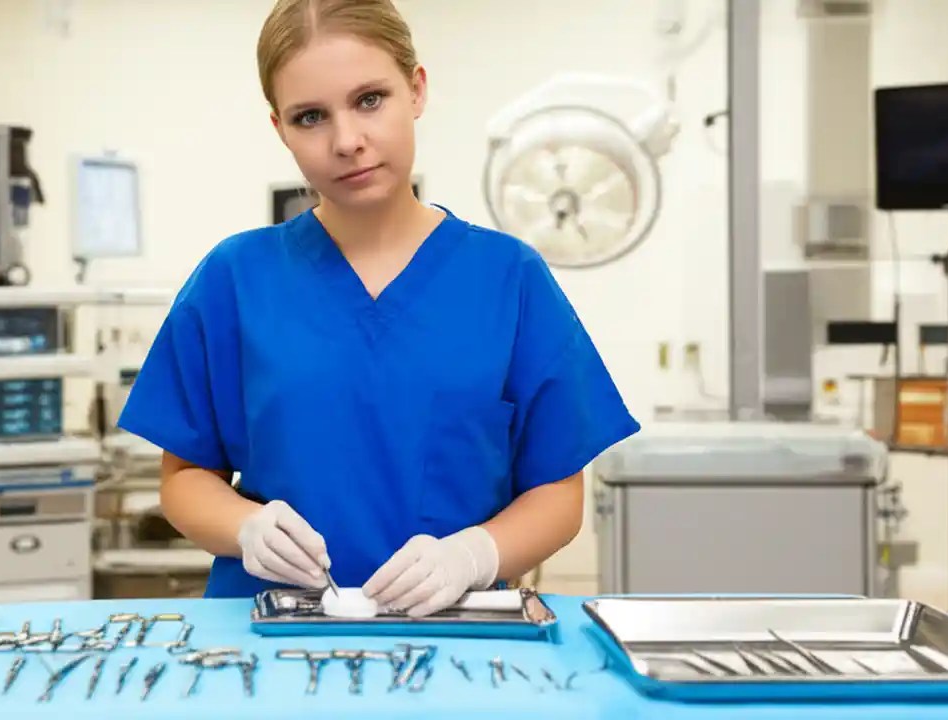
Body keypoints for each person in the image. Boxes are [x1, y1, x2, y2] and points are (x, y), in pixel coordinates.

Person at [117, 0, 639, 616]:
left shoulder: (509, 278)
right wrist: (243, 529)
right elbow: (183, 480)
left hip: (456, 640)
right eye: (310, 117)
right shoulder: (233, 279)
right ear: (280, 129)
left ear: (416, 90)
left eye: (370, 99)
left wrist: (474, 554)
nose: (347, 141)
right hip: (268, 638)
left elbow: (557, 493)